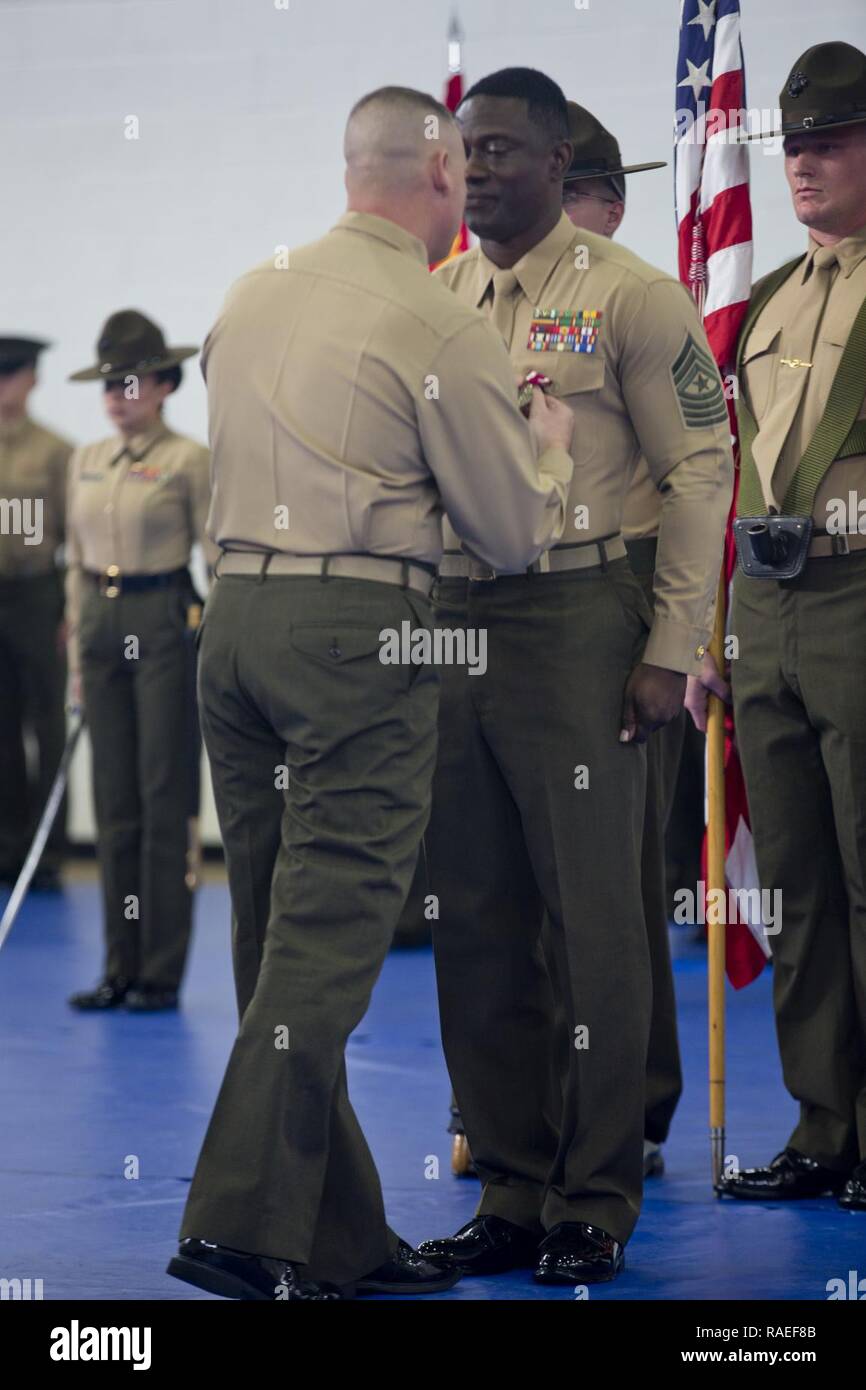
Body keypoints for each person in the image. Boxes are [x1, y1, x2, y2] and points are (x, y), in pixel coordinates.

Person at [167, 85, 575, 1302]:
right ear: (441, 177)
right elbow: (506, 533)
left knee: (274, 934)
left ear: (352, 171)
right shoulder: (433, 318)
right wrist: (544, 447)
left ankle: (337, 1234)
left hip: (232, 621)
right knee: (331, 937)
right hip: (353, 635)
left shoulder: (250, 288)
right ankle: (242, 1227)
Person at [417, 68, 733, 1285]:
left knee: (594, 922)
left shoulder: (633, 297)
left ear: (559, 165)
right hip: (457, 615)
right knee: (476, 918)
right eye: (464, 152)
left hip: (586, 615)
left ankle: (592, 1198)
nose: (478, 169)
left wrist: (670, 649)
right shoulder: (435, 297)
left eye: (500, 149)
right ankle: (506, 1182)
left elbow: (699, 475)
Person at [689, 41, 866, 1212]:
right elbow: (730, 470)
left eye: (829, 143)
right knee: (796, 877)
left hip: (858, 593)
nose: (802, 164)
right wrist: (707, 634)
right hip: (764, 600)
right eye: (792, 147)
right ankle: (822, 1124)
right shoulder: (762, 306)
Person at [65, 310, 210, 1013]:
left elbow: (215, 554)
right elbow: (75, 561)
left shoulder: (188, 460)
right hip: (98, 621)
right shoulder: (86, 460)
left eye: (131, 384)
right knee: (114, 803)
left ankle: (159, 971)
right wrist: (74, 650)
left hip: (161, 620)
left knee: (164, 798)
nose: (118, 397)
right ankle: (116, 964)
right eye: (108, 386)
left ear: (162, 385)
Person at [0, 337, 72, 892]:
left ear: (32, 380)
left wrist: (70, 607)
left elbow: (78, 537)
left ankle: (45, 851)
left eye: (12, 375)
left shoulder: (55, 451)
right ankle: (6, 843)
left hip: (36, 592)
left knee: (45, 723)